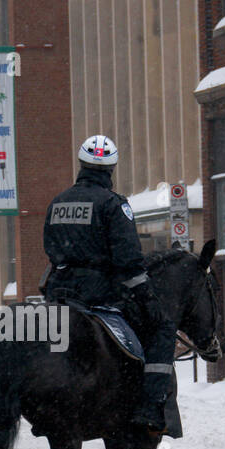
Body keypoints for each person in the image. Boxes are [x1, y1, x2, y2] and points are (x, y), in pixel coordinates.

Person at [42, 134, 176, 433]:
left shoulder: (58, 202)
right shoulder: (113, 204)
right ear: (111, 169)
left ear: (81, 165)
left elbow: (50, 248)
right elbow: (128, 259)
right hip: (98, 293)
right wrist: (147, 297)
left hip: (59, 290)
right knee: (162, 327)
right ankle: (151, 406)